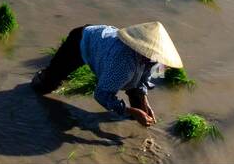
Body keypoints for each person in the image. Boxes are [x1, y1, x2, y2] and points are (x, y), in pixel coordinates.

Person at [32, 21, 183, 126]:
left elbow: (143, 81)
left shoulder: (157, 64)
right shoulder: (123, 65)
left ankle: (137, 121)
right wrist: (131, 111)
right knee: (46, 85)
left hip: (104, 43)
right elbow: (101, 95)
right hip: (82, 41)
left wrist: (145, 103)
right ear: (146, 52)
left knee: (139, 104)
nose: (163, 68)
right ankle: (41, 77)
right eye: (162, 64)